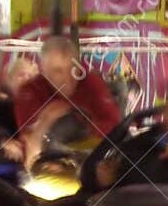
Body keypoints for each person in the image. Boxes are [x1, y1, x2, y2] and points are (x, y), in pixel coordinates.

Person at [11, 35, 122, 168]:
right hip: (49, 164)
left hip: (90, 161)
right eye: (58, 71)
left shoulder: (90, 82)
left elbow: (114, 125)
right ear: (45, 71)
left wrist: (85, 125)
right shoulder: (30, 91)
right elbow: (29, 143)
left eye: (72, 68)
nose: (67, 77)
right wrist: (47, 119)